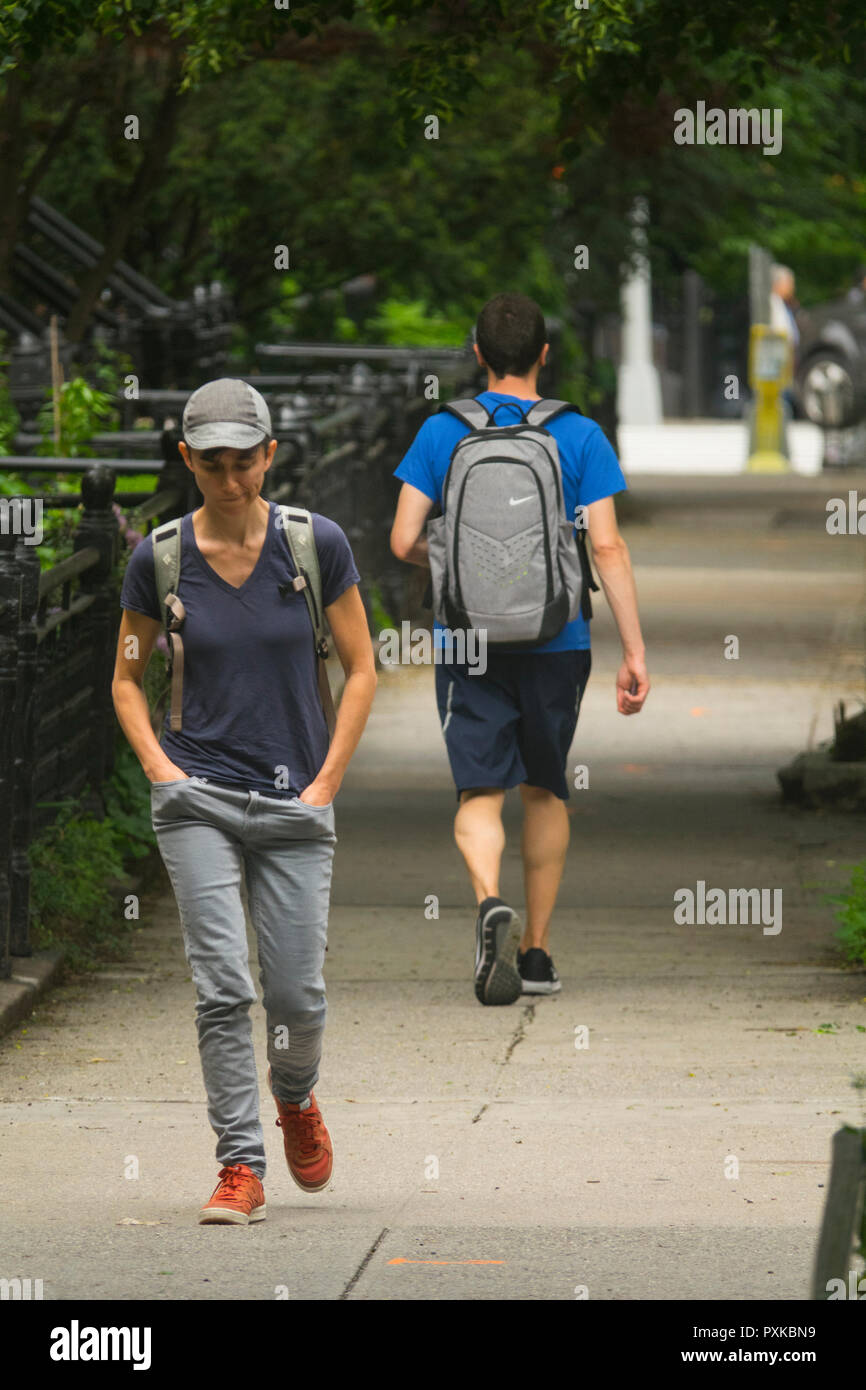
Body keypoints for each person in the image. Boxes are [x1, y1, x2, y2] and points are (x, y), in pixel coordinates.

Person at [112, 378, 376, 1224]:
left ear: (270, 455)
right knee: (223, 986)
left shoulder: (314, 545)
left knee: (296, 996)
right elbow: (124, 678)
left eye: (245, 463)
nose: (230, 481)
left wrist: (327, 779)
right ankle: (239, 1164)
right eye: (213, 464)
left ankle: (294, 1096)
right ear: (187, 460)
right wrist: (162, 769)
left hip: (295, 800)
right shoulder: (157, 558)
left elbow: (364, 667)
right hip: (197, 799)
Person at [390, 292, 649, 1004]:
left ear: (476, 355)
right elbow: (606, 545)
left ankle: (485, 902)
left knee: (479, 789)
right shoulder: (582, 436)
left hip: (467, 638)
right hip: (557, 639)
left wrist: (464, 565)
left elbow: (403, 539)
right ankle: (535, 953)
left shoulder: (443, 432)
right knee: (543, 786)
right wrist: (634, 651)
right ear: (544, 353)